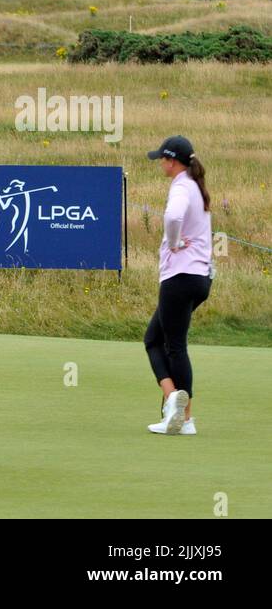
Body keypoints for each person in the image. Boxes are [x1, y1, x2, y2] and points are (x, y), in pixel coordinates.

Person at [143, 136, 213, 436]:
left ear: (172, 161)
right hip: (200, 278)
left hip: (180, 278)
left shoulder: (183, 186)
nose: (160, 162)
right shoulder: (196, 186)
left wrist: (172, 243)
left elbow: (173, 216)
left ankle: (184, 417)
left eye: (162, 158)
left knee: (173, 346)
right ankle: (174, 402)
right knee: (154, 338)